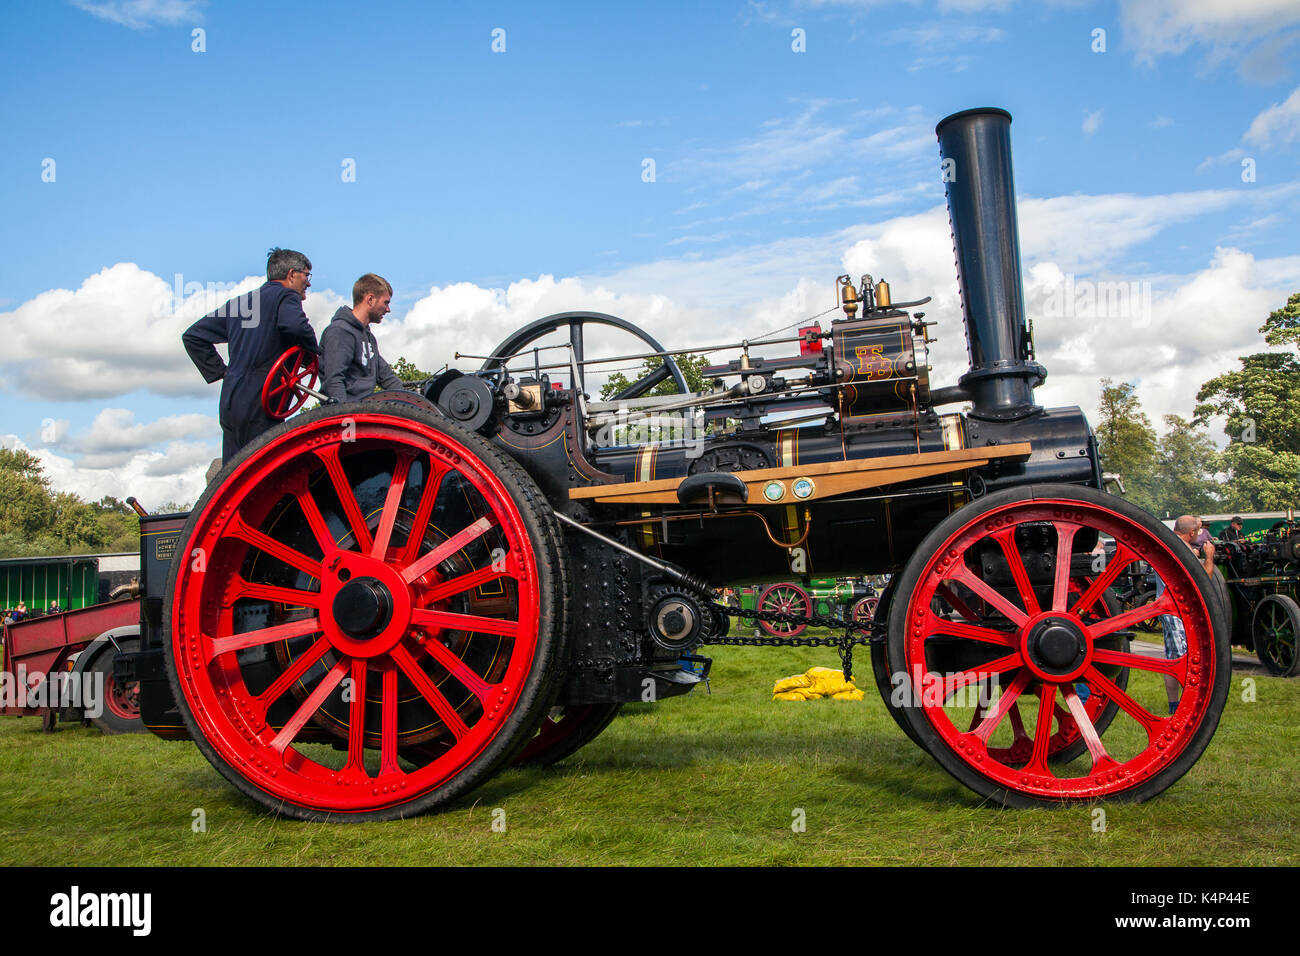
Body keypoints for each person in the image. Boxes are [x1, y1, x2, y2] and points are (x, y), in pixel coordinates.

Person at [183, 248, 321, 464]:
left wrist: (222, 372)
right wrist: (315, 357)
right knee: (266, 472)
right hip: (263, 403)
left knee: (233, 474)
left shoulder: (240, 303)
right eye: (306, 275)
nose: (309, 282)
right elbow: (295, 326)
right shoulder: (286, 296)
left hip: (230, 402)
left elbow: (193, 336)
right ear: (292, 274)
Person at [1155, 515, 1216, 715]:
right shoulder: (1185, 550)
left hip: (1166, 610)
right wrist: (1209, 556)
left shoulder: (1168, 545)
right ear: (1191, 533)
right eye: (1197, 532)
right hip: (1177, 612)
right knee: (1184, 659)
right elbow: (1203, 580)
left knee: (1171, 658)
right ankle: (1187, 705)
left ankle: (1174, 704)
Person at [320, 273, 404, 403]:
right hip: (348, 415)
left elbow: (387, 378)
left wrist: (416, 403)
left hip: (364, 410)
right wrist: (344, 417)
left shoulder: (369, 337)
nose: (388, 310)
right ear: (370, 299)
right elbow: (334, 380)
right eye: (386, 303)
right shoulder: (340, 331)